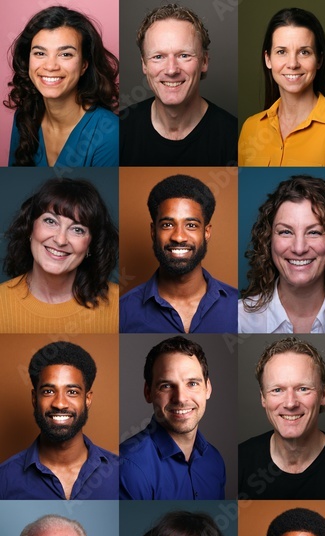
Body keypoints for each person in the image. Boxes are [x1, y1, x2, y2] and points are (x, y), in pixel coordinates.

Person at [237, 338, 325, 501]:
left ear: (323, 395)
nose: (290, 403)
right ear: (263, 398)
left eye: (303, 389)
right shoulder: (239, 461)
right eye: (277, 390)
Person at [119, 173, 238, 334]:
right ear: (153, 231)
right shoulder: (123, 311)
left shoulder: (238, 307)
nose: (179, 237)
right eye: (167, 225)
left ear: (207, 232)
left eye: (191, 225)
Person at [121, 4, 238, 166]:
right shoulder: (120, 129)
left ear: (204, 61)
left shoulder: (234, 136)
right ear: (144, 65)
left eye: (184, 55)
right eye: (158, 57)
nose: (171, 70)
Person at [0, 341, 118, 500]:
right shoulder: (4, 479)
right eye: (48, 391)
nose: (60, 404)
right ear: (34, 398)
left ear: (87, 399)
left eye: (72, 392)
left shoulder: (121, 473)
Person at [0, 176, 118, 334]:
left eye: (77, 230)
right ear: (30, 228)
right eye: (50, 221)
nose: (60, 240)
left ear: (90, 244)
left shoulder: (121, 304)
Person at [239, 174, 325, 333]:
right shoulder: (239, 320)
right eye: (286, 232)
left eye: (314, 232)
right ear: (268, 239)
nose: (299, 248)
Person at [239, 8, 325, 166]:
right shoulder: (250, 128)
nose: (292, 64)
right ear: (268, 59)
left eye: (304, 52)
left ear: (319, 60)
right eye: (281, 52)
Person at [5, 6, 118, 166]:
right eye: (40, 53)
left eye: (65, 54)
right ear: (28, 60)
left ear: (84, 65)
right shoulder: (24, 117)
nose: (50, 66)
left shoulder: (110, 132)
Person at [120, 337, 225, 500]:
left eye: (192, 383)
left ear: (208, 388)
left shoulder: (214, 459)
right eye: (167, 386)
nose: (181, 398)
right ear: (148, 392)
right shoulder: (128, 467)